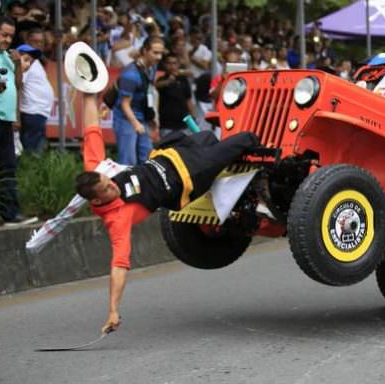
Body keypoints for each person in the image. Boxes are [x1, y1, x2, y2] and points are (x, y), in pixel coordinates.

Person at [66, 43, 260, 333]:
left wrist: (89, 90)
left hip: (171, 154)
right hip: (191, 177)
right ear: (97, 199)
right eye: (107, 190)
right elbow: (119, 267)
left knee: (207, 135)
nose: (112, 185)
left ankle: (238, 175)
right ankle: (265, 175)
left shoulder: (96, 167)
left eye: (109, 181)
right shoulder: (117, 220)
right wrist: (113, 310)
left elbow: (91, 127)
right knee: (246, 139)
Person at [0, 15, 36, 226]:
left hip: (4, 120)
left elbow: (16, 85)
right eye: (4, 35)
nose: (8, 40)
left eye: (11, 36)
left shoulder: (7, 56)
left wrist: (17, 64)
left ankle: (10, 214)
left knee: (7, 168)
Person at [112, 36, 164, 165]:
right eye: (155, 53)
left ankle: (143, 185)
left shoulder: (152, 68)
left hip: (142, 117)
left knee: (147, 158)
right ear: (145, 51)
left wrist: (153, 117)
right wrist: (135, 124)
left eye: (161, 53)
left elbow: (150, 92)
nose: (159, 57)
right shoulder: (130, 74)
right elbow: (125, 105)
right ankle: (125, 185)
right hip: (126, 119)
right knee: (128, 161)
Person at [17, 43, 53, 154]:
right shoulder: (21, 66)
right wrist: (16, 116)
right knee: (31, 150)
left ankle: (33, 169)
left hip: (39, 111)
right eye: (27, 55)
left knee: (37, 148)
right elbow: (18, 88)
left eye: (33, 55)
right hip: (32, 111)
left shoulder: (33, 63)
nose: (31, 58)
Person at [156, 53, 194, 138]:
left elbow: (188, 100)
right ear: (164, 65)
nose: (172, 66)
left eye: (174, 63)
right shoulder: (161, 80)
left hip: (183, 124)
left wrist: (193, 118)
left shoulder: (183, 80)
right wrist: (169, 81)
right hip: (166, 125)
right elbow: (157, 85)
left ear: (178, 65)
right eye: (169, 63)